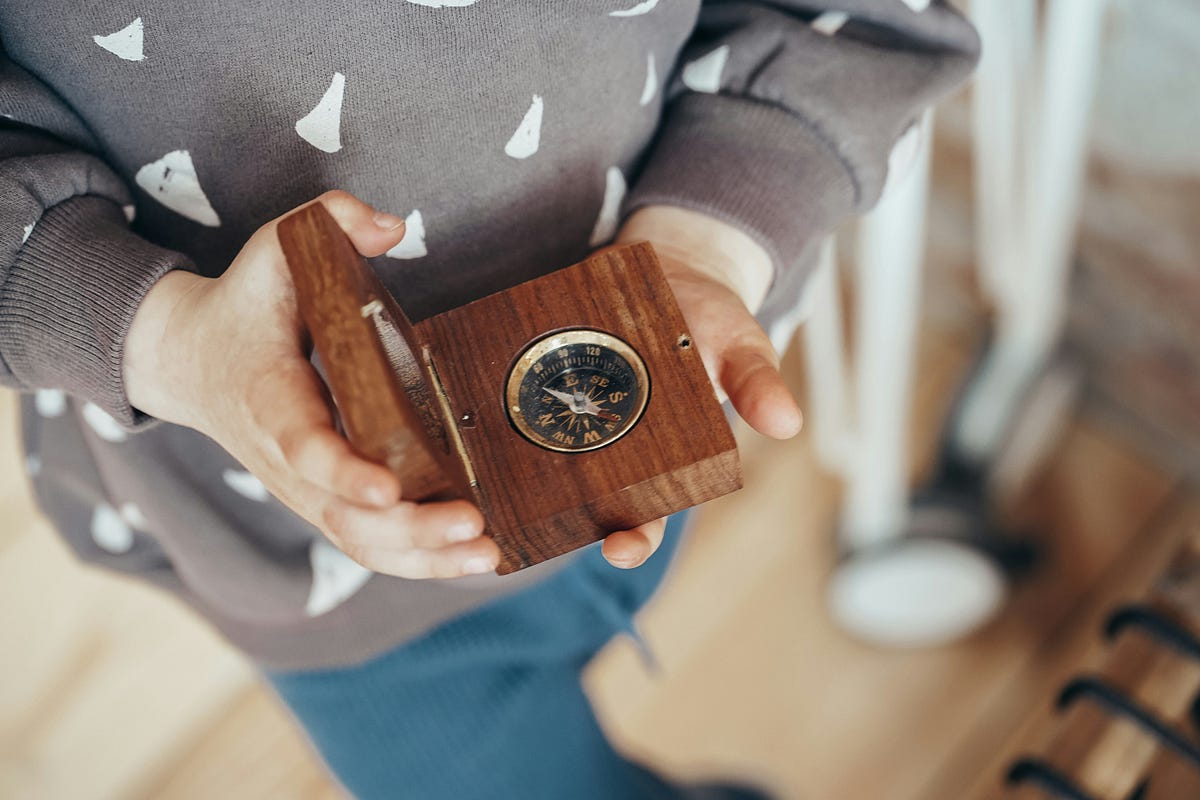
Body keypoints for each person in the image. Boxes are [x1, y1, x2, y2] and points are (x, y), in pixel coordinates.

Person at [0, 2, 978, 797]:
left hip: (655, 415)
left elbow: (854, 19)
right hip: (313, 572)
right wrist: (168, 341)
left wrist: (706, 242)